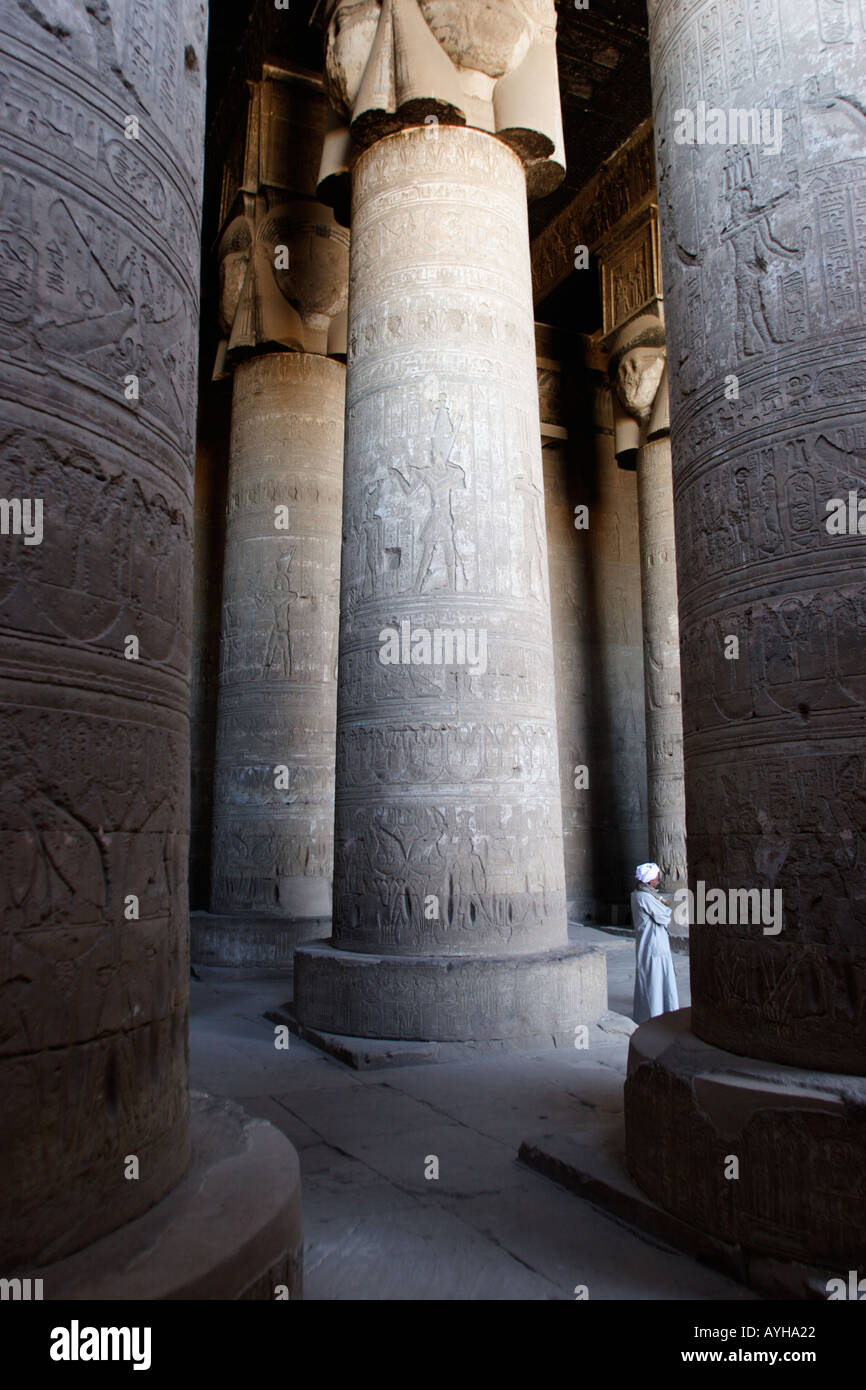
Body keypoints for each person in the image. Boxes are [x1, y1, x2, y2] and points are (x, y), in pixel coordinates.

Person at [631, 862, 679, 1025]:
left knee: (658, 979)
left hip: (654, 942)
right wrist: (666, 910)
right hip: (652, 943)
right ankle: (655, 1015)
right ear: (650, 881)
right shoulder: (644, 896)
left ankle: (662, 1011)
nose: (658, 882)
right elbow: (663, 916)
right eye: (656, 879)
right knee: (654, 982)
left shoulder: (641, 894)